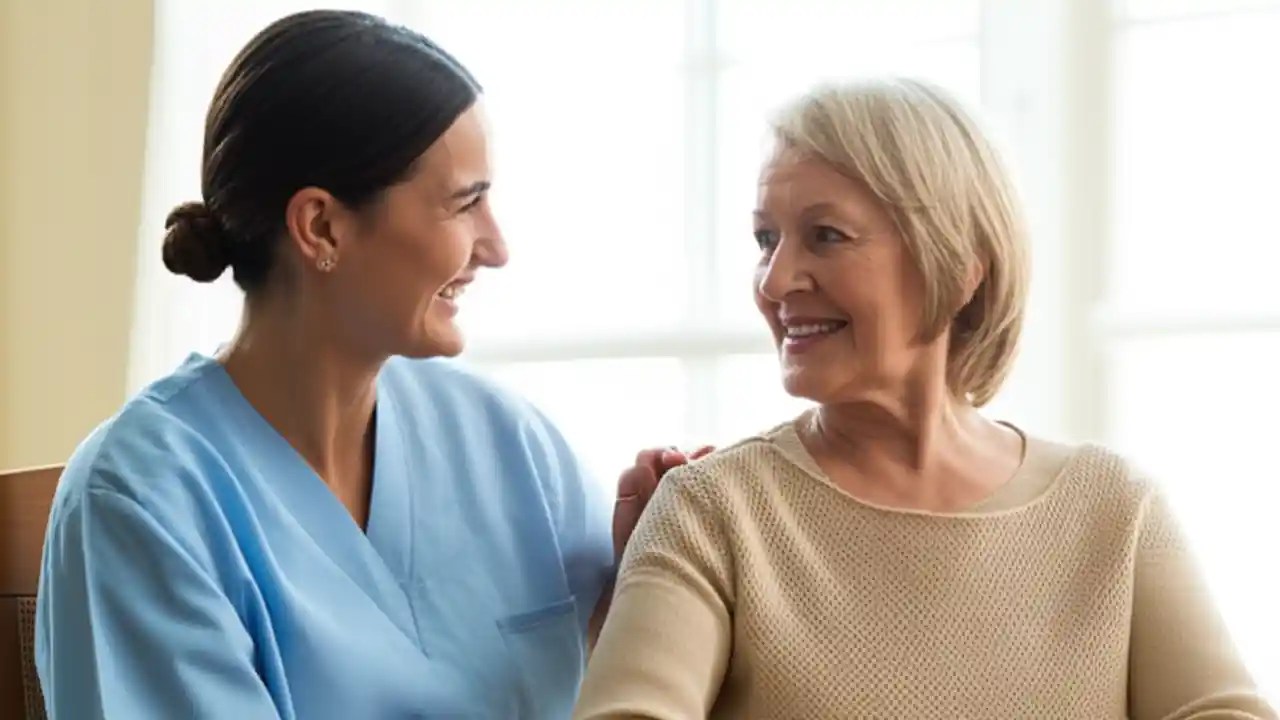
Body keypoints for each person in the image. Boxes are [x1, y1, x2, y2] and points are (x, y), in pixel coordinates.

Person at [35, 10, 699, 719]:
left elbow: (607, 688)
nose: (496, 246)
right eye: (464, 204)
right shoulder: (143, 500)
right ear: (321, 227)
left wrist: (642, 580)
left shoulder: (510, 445)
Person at [574, 78, 1277, 719]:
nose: (777, 279)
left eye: (826, 236)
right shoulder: (712, 510)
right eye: (767, 238)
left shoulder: (1113, 509)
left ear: (961, 264)